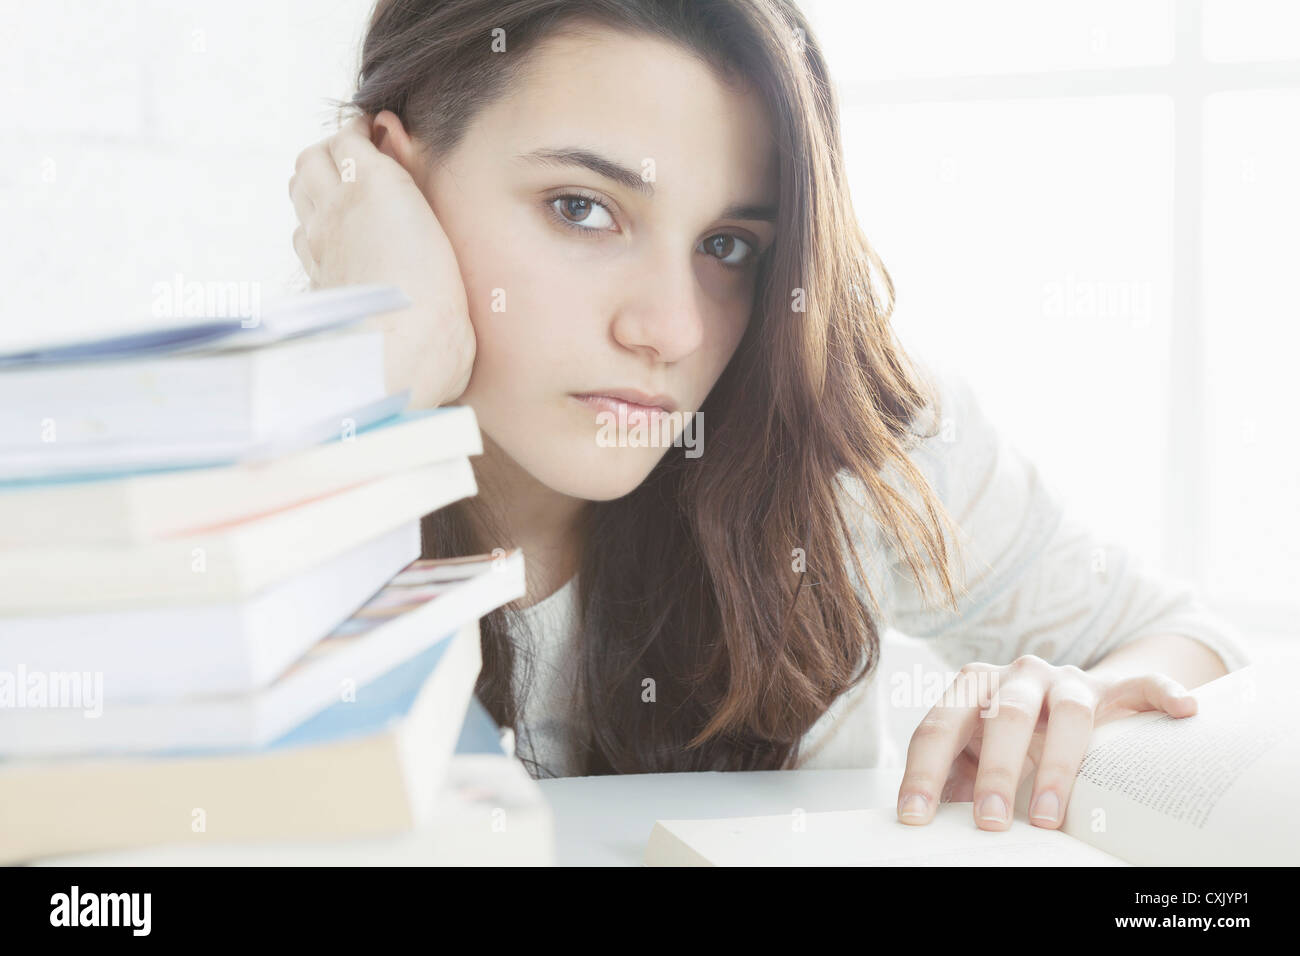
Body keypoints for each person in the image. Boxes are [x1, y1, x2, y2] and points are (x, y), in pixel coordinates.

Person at [287, 0, 1250, 832]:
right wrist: (382, 386)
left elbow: (1191, 644)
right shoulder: (211, 490)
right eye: (582, 209)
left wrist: (1074, 701)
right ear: (389, 181)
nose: (669, 328)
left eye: (728, 245)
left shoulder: (845, 437)